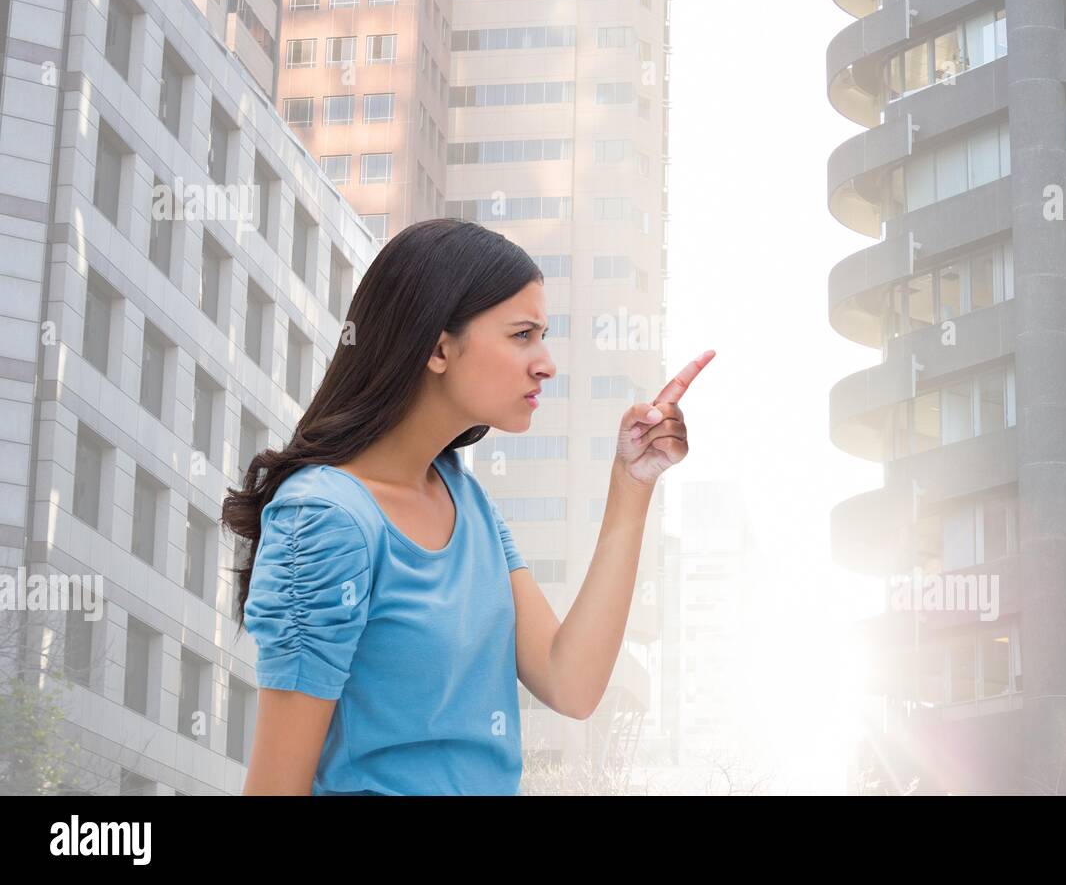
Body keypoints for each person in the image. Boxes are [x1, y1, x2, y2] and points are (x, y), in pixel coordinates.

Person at [222, 218, 714, 794]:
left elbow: (571, 683)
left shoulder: (466, 499)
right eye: (522, 334)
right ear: (437, 347)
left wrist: (632, 486)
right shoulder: (324, 519)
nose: (546, 362)